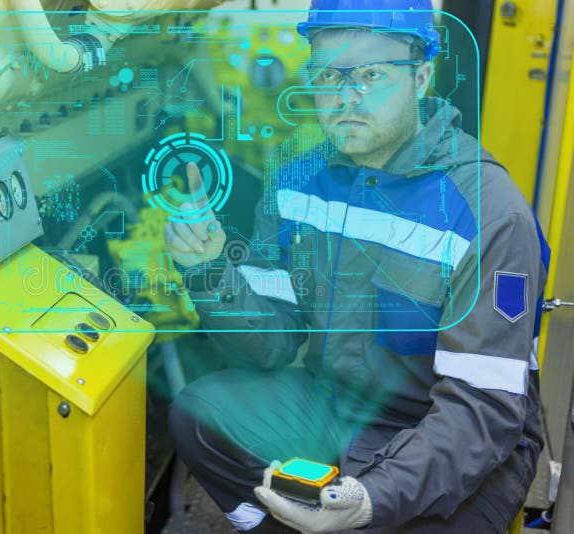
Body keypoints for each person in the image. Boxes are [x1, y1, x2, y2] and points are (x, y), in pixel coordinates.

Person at [164, 1, 551, 532]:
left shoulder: (485, 210)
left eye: (371, 74)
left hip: (456, 441)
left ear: (420, 77)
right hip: (340, 407)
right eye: (327, 74)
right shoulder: (297, 179)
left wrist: (373, 498)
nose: (345, 96)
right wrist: (210, 271)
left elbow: (481, 412)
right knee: (202, 416)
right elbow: (273, 342)